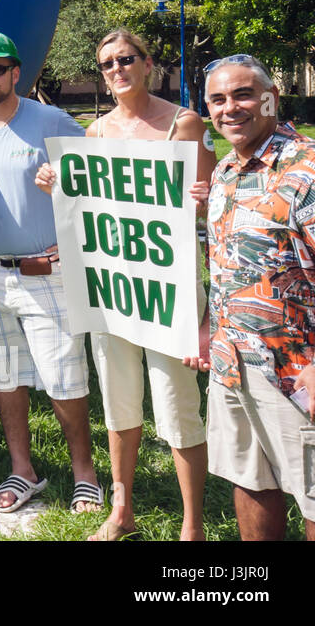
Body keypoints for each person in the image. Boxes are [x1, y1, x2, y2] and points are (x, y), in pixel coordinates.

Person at [35, 28, 213, 540]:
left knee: (177, 403)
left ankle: (192, 527)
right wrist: (58, 185)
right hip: (112, 287)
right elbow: (88, 210)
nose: (117, 69)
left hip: (167, 286)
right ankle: (121, 512)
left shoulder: (184, 122)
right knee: (118, 399)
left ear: (148, 63)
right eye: (108, 63)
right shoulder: (94, 134)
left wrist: (202, 193)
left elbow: (208, 196)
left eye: (126, 59)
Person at [0, 31, 103, 518]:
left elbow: (97, 180)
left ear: (18, 72)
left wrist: (71, 211)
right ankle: (24, 470)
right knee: (4, 377)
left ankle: (85, 474)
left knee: (64, 378)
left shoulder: (52, 120)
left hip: (46, 271)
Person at [186, 53, 315, 541]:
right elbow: (225, 264)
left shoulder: (308, 171)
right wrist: (208, 330)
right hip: (232, 365)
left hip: (295, 372)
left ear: (271, 98)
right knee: (250, 480)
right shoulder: (224, 171)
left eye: (243, 94)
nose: (230, 108)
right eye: (217, 99)